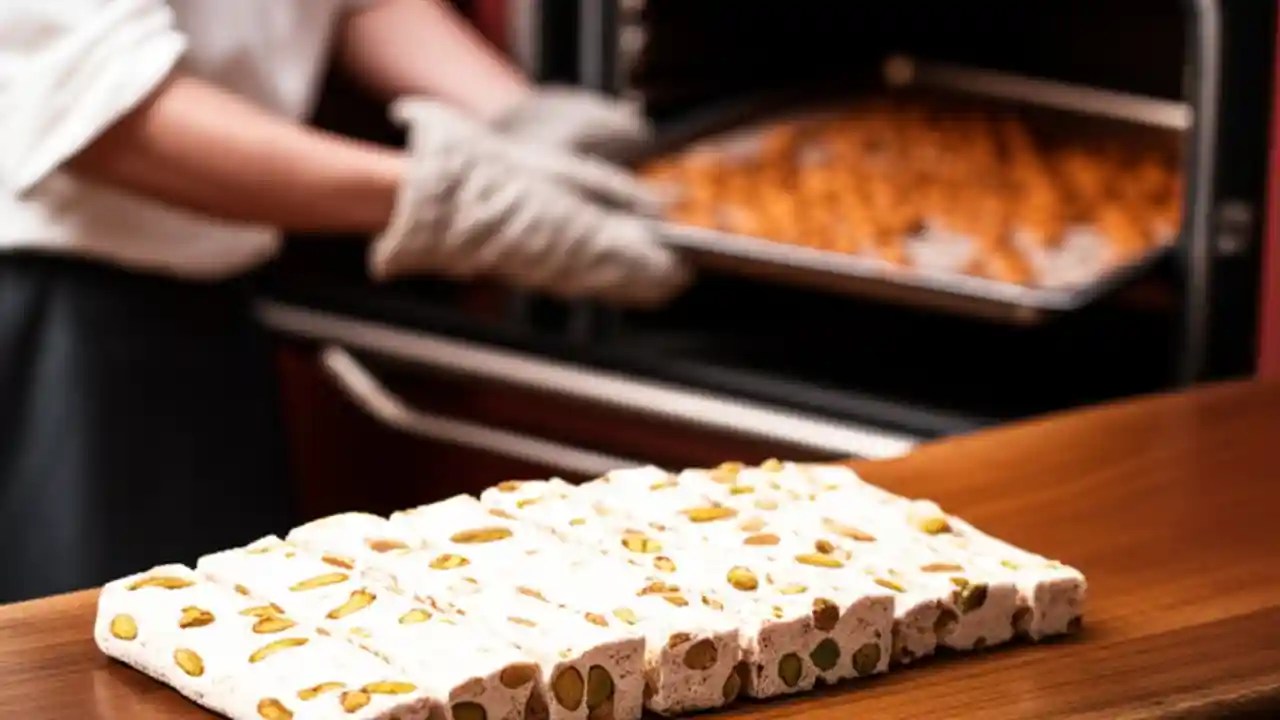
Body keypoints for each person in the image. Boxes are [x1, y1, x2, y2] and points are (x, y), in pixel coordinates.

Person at [0, 0, 690, 603]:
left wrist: (520, 117)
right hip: (49, 309)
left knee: (228, 650)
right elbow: (102, 112)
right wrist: (445, 195)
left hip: (210, 295)